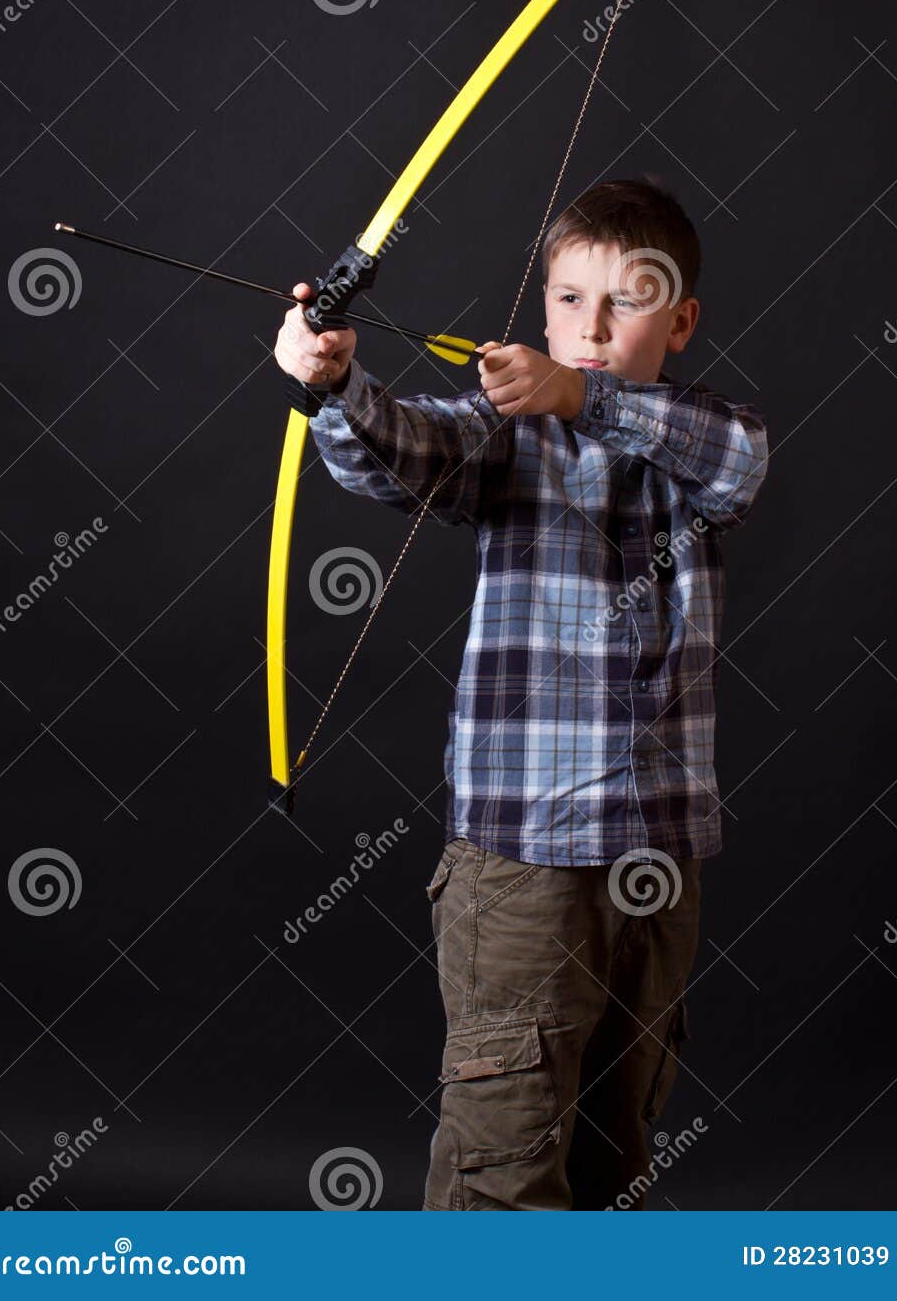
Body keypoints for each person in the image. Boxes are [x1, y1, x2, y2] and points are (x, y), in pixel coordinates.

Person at [273, 176, 769, 1210]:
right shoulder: (500, 432)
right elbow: (402, 454)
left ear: (677, 322)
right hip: (520, 860)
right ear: (539, 308)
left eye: (626, 300)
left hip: (655, 859)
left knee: (618, 1141)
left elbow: (735, 462)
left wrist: (579, 395)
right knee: (503, 1150)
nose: (589, 327)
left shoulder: (701, 436)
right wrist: (331, 383)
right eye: (566, 299)